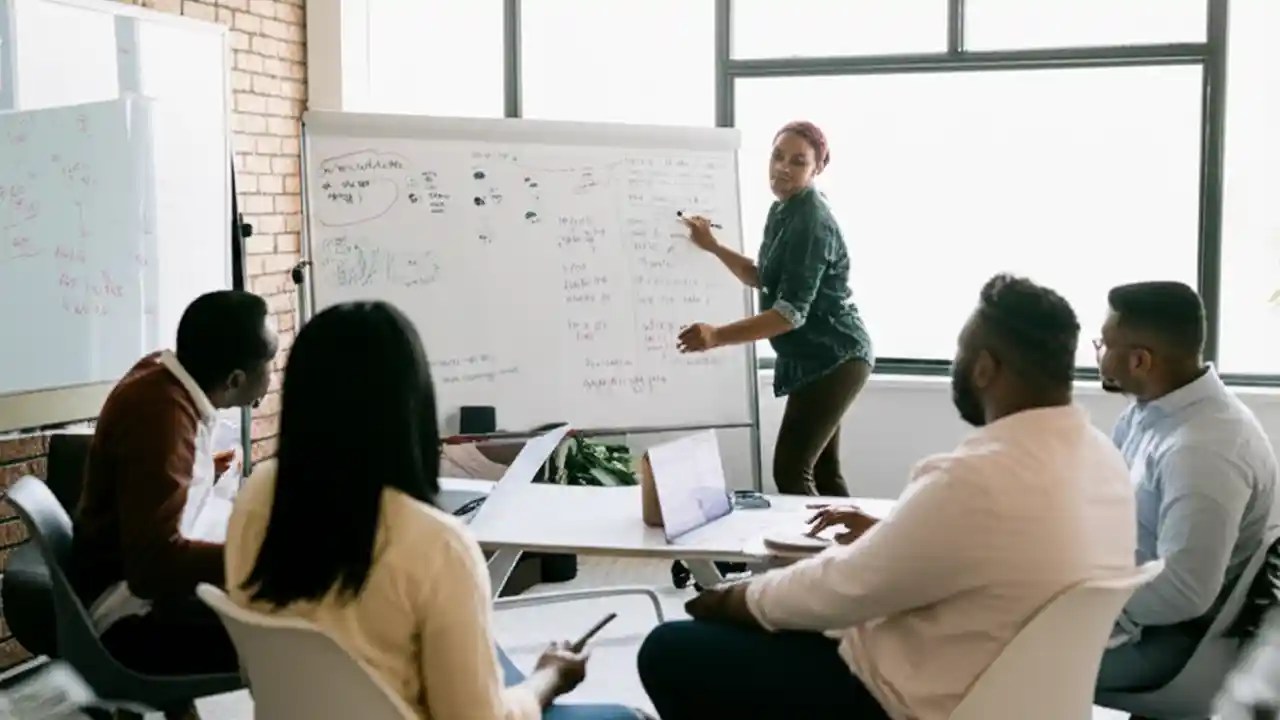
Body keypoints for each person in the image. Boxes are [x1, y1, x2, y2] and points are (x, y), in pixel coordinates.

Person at [639, 274, 1136, 720]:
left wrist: (736, 597)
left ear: (984, 368)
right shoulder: (1103, 461)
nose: (956, 366)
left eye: (961, 353)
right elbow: (1002, 555)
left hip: (921, 699)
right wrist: (890, 536)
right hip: (1020, 694)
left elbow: (841, 591)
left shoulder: (976, 478)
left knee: (671, 648)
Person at [225, 301, 641, 720]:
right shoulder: (436, 545)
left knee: (486, 656)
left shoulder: (256, 497)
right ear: (412, 405)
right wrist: (548, 679)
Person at [71, 290, 277, 715]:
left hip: (138, 594)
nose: (274, 372)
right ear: (236, 380)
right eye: (270, 362)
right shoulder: (161, 415)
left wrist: (205, 472)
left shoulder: (164, 377)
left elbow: (157, 484)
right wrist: (260, 558)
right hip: (131, 620)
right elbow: (153, 566)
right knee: (292, 632)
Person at [1094, 281, 1279, 693]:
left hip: (1169, 644)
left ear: (1140, 360)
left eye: (1105, 345)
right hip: (1133, 609)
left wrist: (1076, 600)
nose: (1099, 356)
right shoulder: (1150, 414)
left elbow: (1184, 591)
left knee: (984, 651)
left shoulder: (1204, 449)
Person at [677, 120, 873, 497]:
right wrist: (713, 246)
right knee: (823, 473)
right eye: (777, 156)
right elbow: (761, 275)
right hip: (817, 356)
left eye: (798, 162)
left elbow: (789, 313)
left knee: (791, 470)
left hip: (837, 355)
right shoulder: (784, 209)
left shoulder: (812, 221)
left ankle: (821, 556)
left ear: (817, 169)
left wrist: (716, 335)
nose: (782, 167)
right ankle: (857, 555)